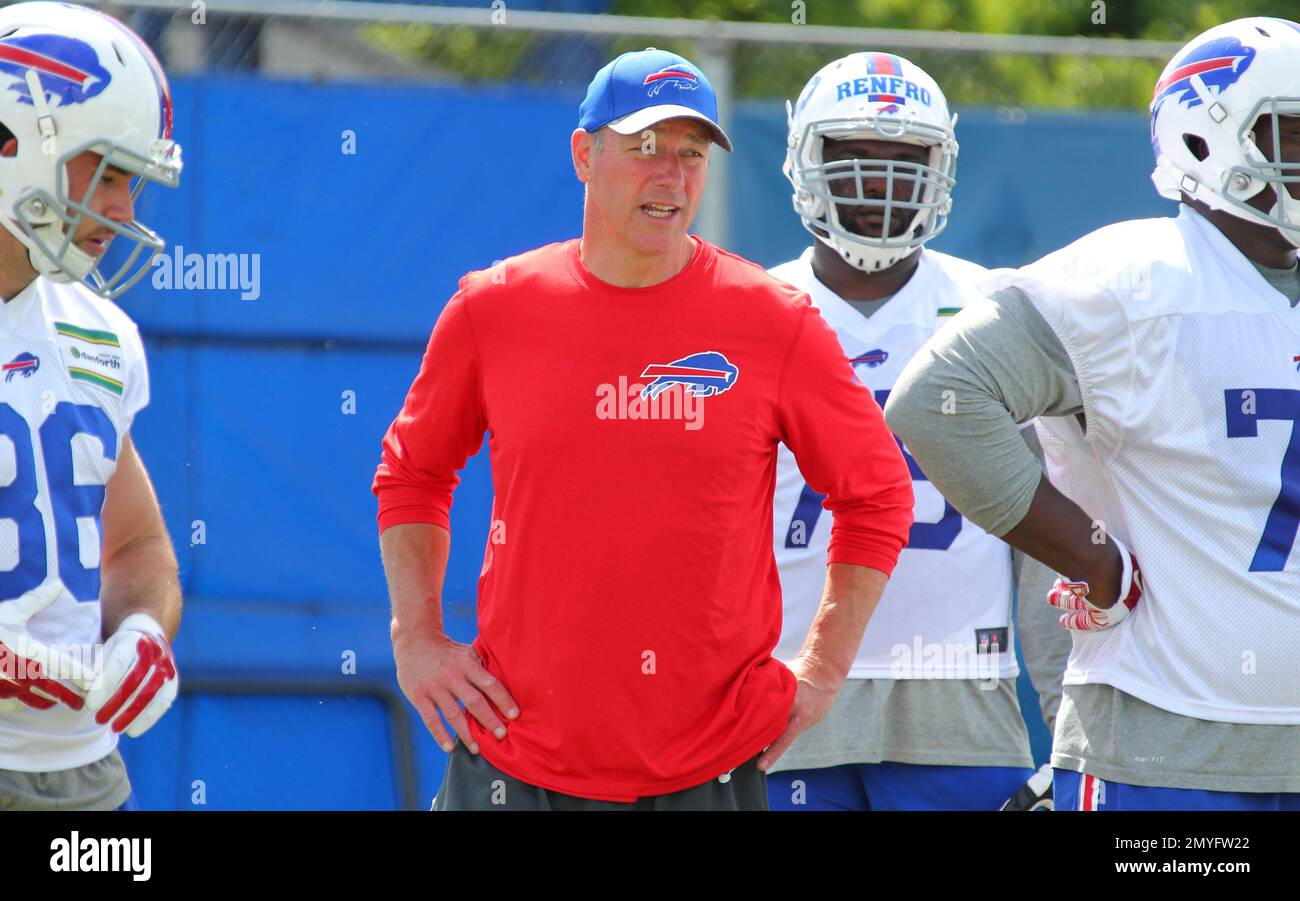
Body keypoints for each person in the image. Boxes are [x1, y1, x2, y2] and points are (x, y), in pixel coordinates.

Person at [373, 47, 914, 811]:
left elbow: (879, 493)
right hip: (512, 765)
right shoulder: (491, 308)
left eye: (691, 154)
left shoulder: (774, 321)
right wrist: (417, 639)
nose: (672, 175)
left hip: (706, 774)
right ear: (584, 154)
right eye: (646, 149)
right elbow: (413, 474)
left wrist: (822, 668)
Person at [884, 17, 1300, 810]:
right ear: (1207, 139)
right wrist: (1093, 554)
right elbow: (939, 398)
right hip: (1164, 750)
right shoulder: (1133, 277)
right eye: (1295, 132)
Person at [764, 52, 1069, 812]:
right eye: (856, 155)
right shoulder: (748, 307)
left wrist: (1073, 720)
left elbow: (1051, 543)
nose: (880, 183)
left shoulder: (995, 306)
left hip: (959, 697)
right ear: (805, 157)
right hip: (781, 687)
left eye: (906, 158)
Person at [0, 2, 185, 811]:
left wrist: (144, 631)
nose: (124, 209)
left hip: (84, 770)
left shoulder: (99, 334)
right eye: (105, 170)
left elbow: (138, 545)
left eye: (133, 181)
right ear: (14, 143)